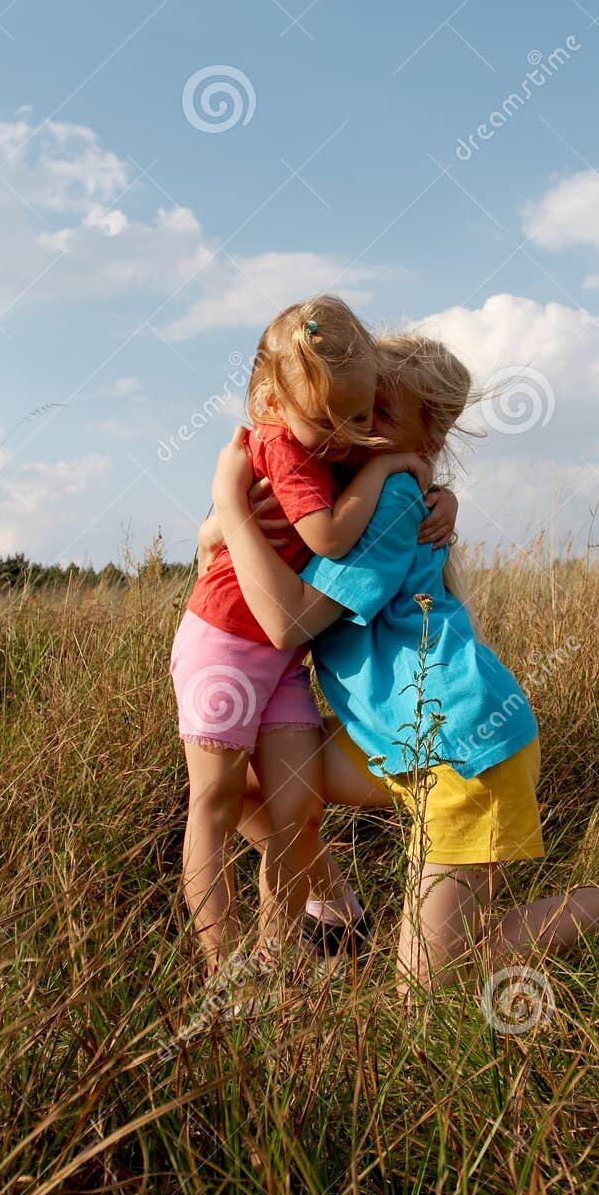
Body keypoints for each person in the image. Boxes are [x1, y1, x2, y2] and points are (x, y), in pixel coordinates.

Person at [209, 333, 599, 997]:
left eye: (375, 417)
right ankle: (337, 914)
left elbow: (287, 621)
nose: (350, 430)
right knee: (237, 782)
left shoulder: (389, 503)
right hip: (392, 743)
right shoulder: (343, 490)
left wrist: (232, 508)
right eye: (348, 409)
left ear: (424, 441)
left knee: (430, 990)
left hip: (462, 753)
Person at [171, 296, 435, 981]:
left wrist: (428, 485)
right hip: (225, 644)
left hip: (280, 658)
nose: (345, 435)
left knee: (298, 807)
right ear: (269, 397)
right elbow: (326, 535)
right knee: (217, 802)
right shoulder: (286, 444)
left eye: (357, 415)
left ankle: (275, 953)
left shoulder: (320, 442)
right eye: (329, 418)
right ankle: (221, 965)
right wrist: (384, 468)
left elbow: (394, 496)